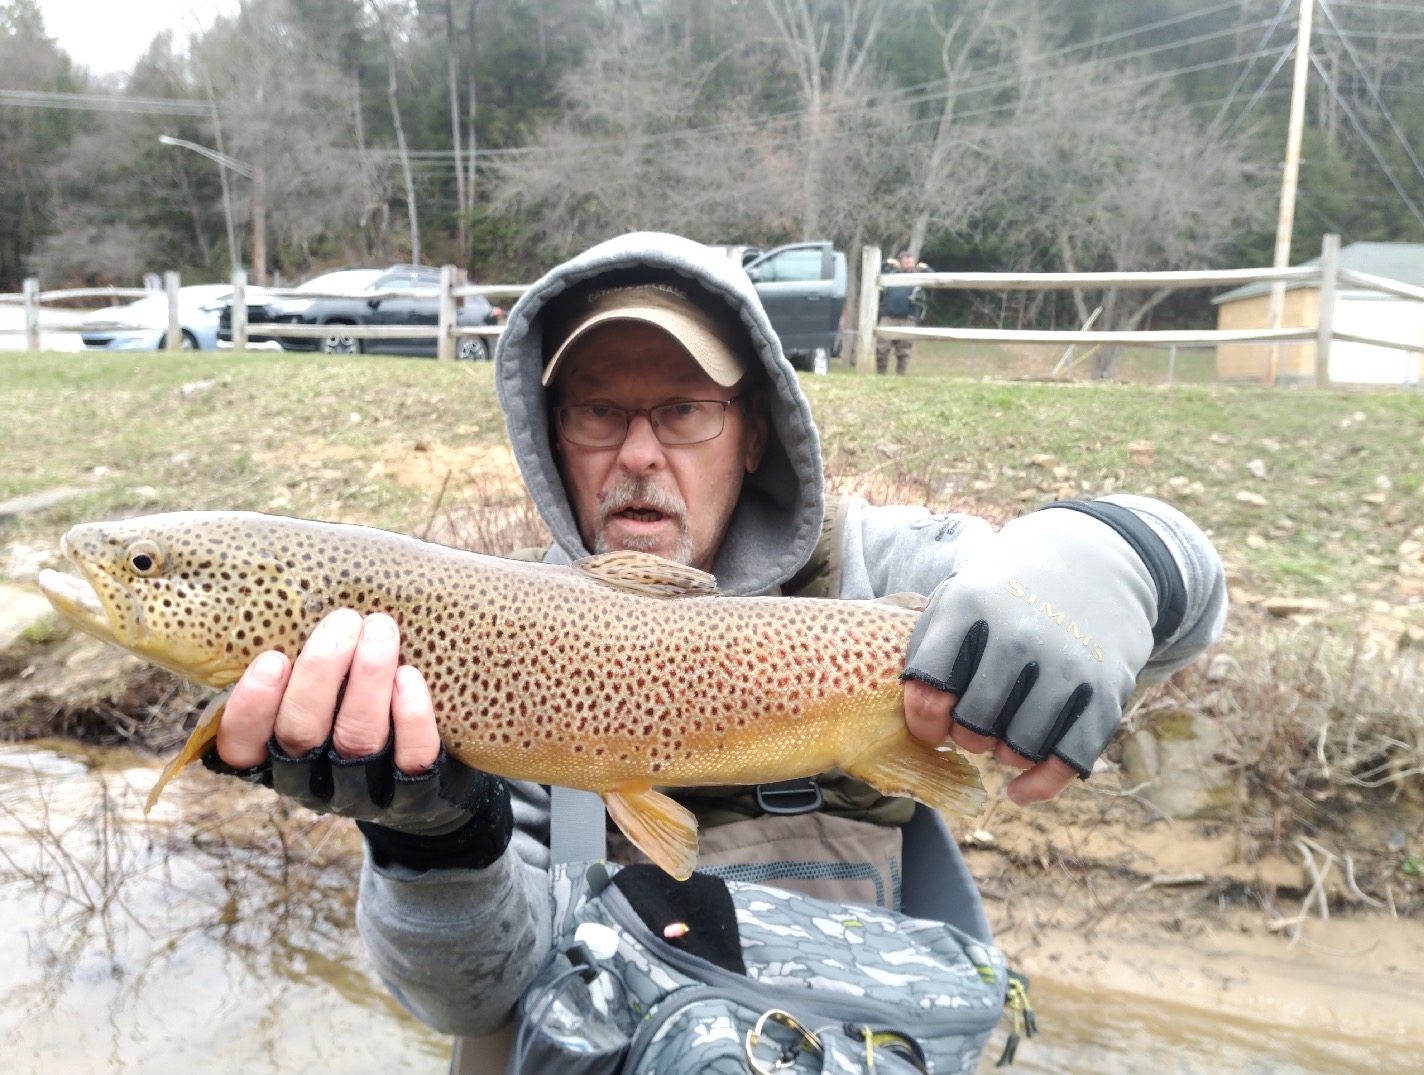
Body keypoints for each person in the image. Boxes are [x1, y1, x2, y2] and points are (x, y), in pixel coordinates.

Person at [202, 233, 1226, 1071]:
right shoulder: (489, 634)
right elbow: (469, 994)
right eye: (598, 411)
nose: (637, 453)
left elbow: (1181, 600)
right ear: (551, 433)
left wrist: (1103, 556)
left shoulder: (887, 573)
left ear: (752, 433)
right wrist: (428, 843)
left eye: (681, 410)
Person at [875, 249, 930, 375]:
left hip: (908, 318)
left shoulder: (918, 276)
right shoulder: (891, 273)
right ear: (900, 263)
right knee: (882, 349)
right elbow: (874, 269)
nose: (909, 265)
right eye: (906, 263)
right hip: (888, 317)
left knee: (904, 351)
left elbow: (935, 278)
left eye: (911, 263)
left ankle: (900, 376)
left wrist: (926, 268)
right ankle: (880, 375)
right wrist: (887, 262)